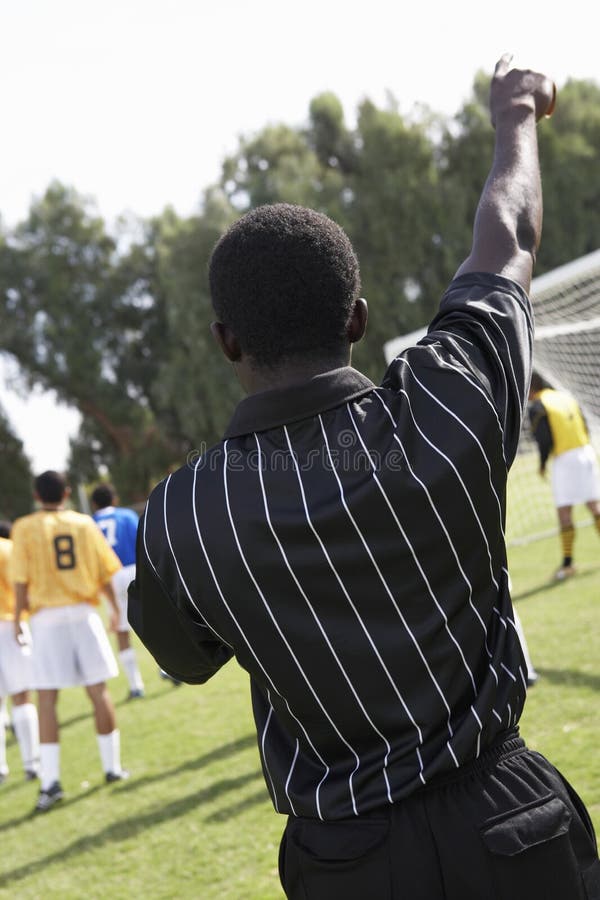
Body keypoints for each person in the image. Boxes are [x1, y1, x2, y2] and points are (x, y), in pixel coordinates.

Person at [129, 57, 600, 899]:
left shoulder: (184, 514)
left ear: (226, 342)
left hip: (349, 868)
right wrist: (516, 115)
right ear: (357, 320)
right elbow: (509, 238)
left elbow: (184, 659)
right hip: (517, 832)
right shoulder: (448, 400)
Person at [11, 471, 128, 813]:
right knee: (99, 690)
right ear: (66, 492)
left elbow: (20, 580)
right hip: (84, 612)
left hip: (46, 619)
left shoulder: (25, 527)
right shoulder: (84, 524)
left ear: (36, 495)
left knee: (46, 698)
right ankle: (112, 767)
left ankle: (51, 783)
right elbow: (107, 570)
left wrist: (19, 617)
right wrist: (114, 609)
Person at [528, 371, 600, 580]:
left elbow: (544, 439)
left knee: (564, 512)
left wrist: (542, 464)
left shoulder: (539, 405)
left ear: (530, 387)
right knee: (594, 506)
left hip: (565, 459)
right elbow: (585, 424)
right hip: (585, 451)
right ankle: (568, 563)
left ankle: (568, 564)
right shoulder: (566, 396)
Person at [90, 484, 145, 699]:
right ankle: (166, 669)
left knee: (122, 631)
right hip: (134, 569)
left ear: (94, 504)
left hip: (111, 576)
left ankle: (136, 685)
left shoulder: (91, 523)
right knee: (151, 620)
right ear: (114, 499)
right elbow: (142, 539)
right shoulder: (127, 515)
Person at [0, 520, 40, 783]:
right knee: (22, 696)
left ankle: (1, 768)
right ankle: (32, 763)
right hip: (9, 623)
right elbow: (24, 587)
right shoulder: (8, 549)